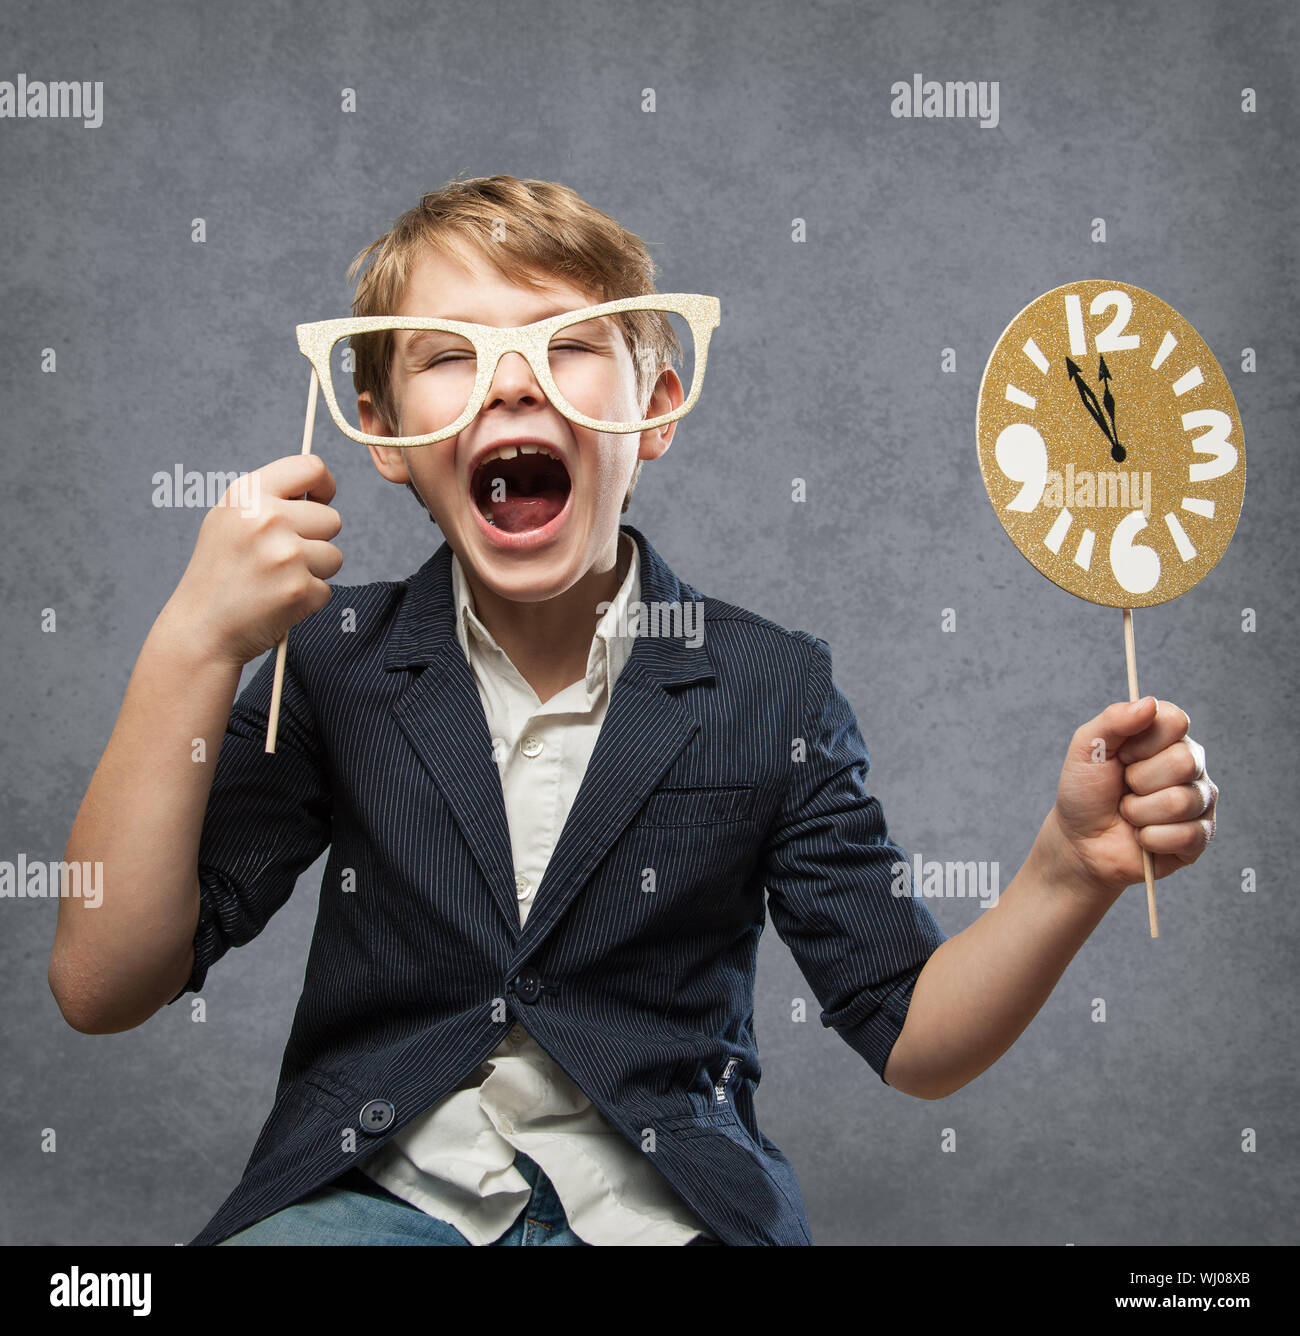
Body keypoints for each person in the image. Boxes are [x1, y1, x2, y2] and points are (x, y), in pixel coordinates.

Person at [48, 174, 1218, 1247]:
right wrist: (192, 640)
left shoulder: (771, 685)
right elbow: (105, 984)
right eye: (449, 353)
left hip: (669, 1216)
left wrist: (1069, 869)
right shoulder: (335, 662)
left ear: (655, 409)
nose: (512, 380)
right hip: (374, 1206)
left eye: (568, 344)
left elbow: (913, 1037)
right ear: (382, 425)